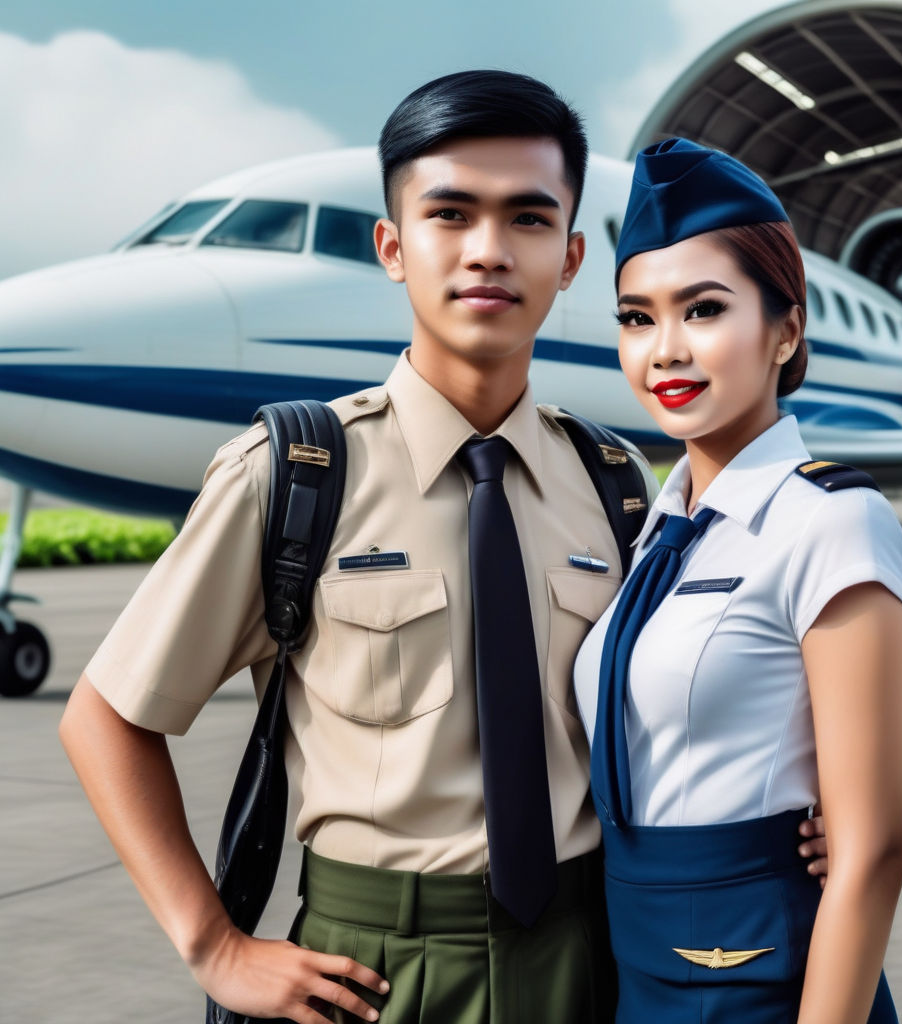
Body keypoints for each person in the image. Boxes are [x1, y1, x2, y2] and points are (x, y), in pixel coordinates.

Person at [59, 76, 828, 1024]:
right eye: (450, 214)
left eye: (529, 219)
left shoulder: (617, 483)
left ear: (573, 257)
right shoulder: (296, 473)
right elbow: (105, 717)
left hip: (589, 956)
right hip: (377, 970)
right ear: (392, 246)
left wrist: (818, 811)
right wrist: (213, 943)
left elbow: (706, 679)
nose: (489, 251)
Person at [573, 137, 902, 1023]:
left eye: (704, 309)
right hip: (634, 968)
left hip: (763, 981)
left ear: (786, 329)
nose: (665, 350)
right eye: (637, 318)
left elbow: (871, 853)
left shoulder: (831, 520)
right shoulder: (652, 530)